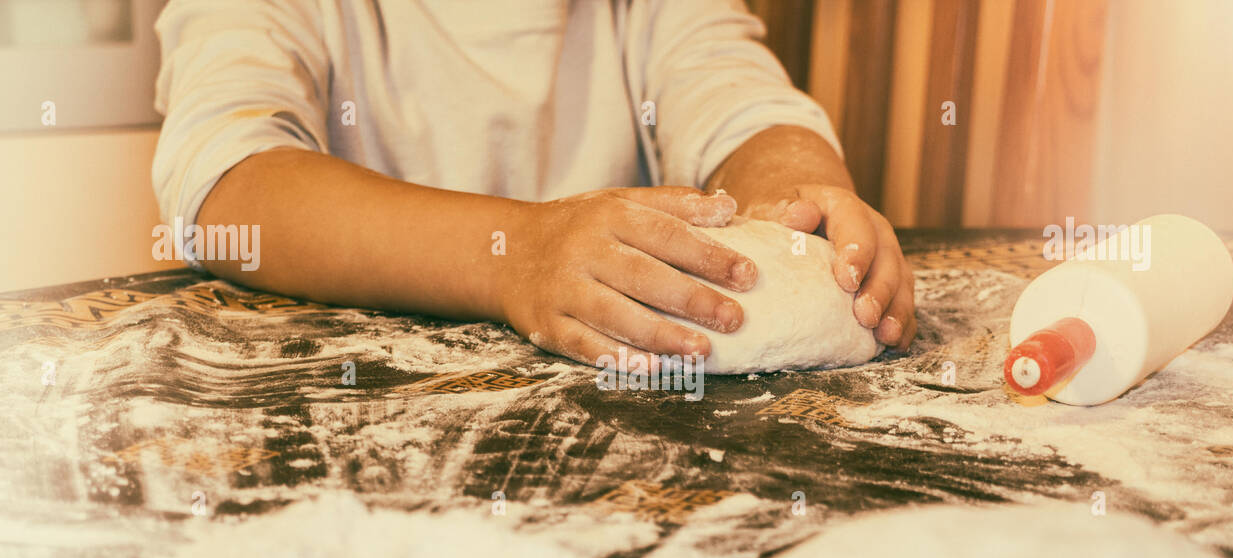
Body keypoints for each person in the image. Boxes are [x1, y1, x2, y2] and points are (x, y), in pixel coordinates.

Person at [153, 0, 915, 370]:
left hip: (636, 447)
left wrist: (800, 198)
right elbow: (230, 180)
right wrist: (514, 251)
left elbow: (737, 100)